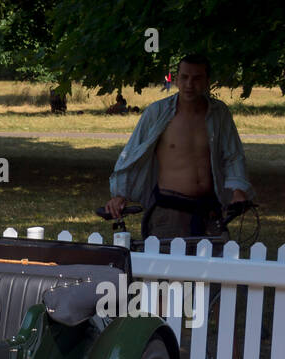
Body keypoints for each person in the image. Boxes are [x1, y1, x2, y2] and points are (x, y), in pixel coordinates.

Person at [106, 54, 254, 240]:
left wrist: (238, 190)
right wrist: (120, 194)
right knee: (166, 268)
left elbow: (233, 156)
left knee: (215, 267)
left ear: (208, 81)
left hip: (210, 211)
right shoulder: (158, 112)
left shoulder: (219, 114)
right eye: (184, 77)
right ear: (176, 79)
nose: (189, 84)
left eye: (197, 78)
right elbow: (133, 152)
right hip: (169, 213)